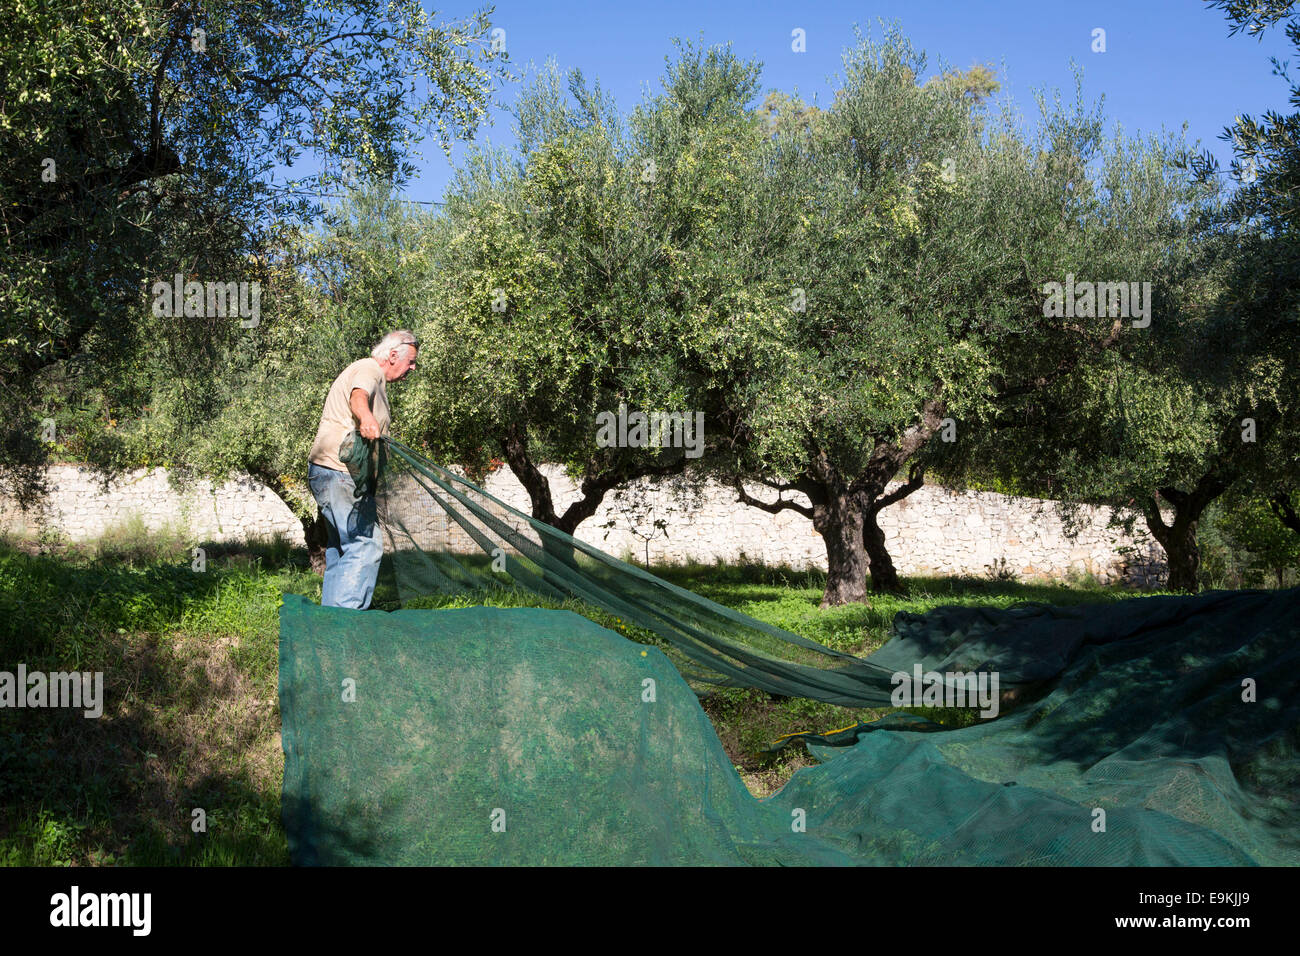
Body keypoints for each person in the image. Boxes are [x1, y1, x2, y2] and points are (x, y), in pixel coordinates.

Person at [307, 331, 419, 608]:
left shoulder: (374, 377)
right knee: (365, 545)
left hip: (332, 474)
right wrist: (366, 417)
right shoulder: (368, 369)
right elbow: (359, 396)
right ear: (393, 356)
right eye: (412, 361)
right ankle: (346, 627)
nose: (414, 368)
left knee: (340, 549)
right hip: (340, 474)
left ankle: (331, 624)